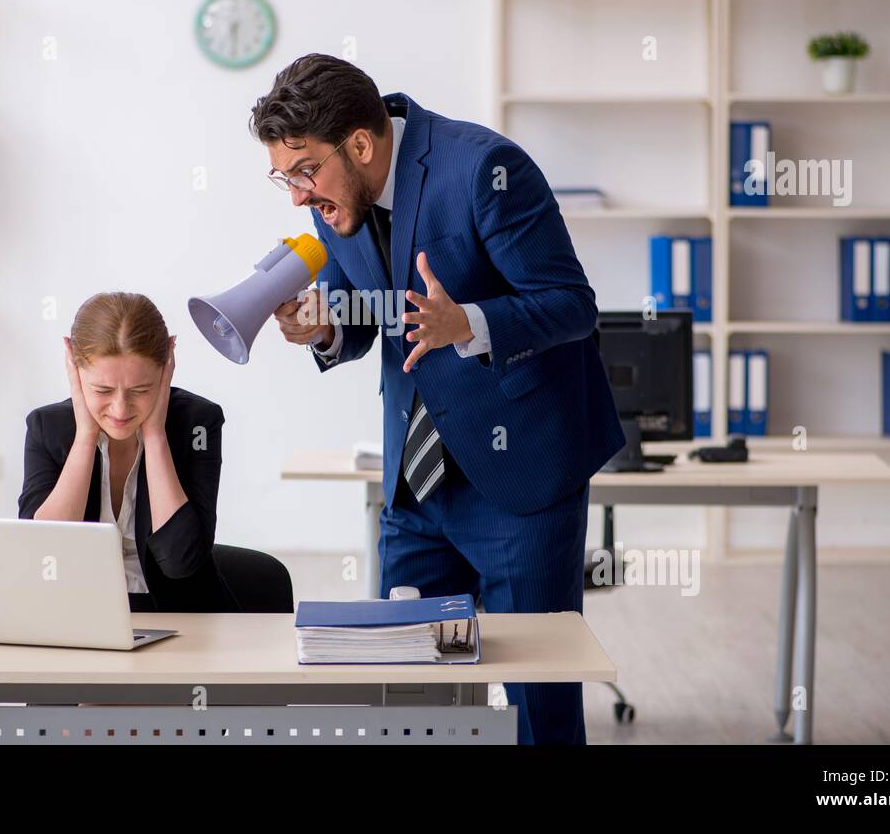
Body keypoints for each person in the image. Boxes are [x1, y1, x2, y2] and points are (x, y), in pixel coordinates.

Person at [252, 54, 624, 744]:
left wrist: (470, 324)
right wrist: (326, 324)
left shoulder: (484, 169)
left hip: (522, 479)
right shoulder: (343, 196)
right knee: (404, 693)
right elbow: (363, 308)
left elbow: (572, 306)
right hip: (416, 485)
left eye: (304, 171)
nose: (298, 195)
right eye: (285, 176)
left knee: (536, 701)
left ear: (361, 144)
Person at [17, 291, 236, 612]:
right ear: (74, 369)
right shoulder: (46, 428)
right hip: (76, 614)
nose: (120, 409)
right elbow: (45, 556)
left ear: (165, 371)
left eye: (141, 390)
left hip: (181, 619)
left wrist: (156, 436)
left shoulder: (197, 424)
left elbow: (181, 560)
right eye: (102, 390)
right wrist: (85, 437)